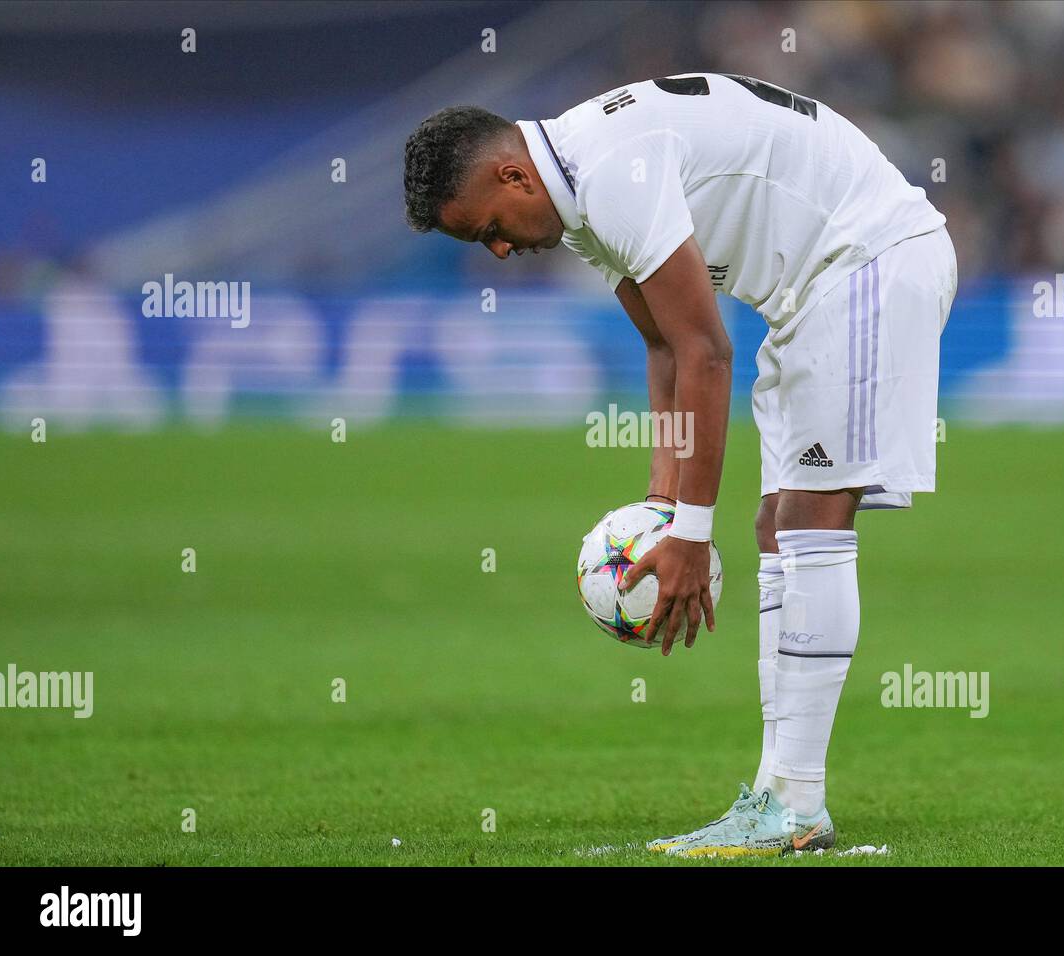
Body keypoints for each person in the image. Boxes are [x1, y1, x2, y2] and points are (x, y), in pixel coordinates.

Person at [404, 73, 957, 856]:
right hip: (817, 289)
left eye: (491, 226)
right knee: (778, 524)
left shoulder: (609, 174)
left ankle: (796, 805)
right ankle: (778, 795)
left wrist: (693, 536)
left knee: (808, 519)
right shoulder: (580, 193)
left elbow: (706, 350)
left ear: (514, 175)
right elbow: (663, 343)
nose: (499, 249)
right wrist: (663, 509)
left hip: (868, 260)